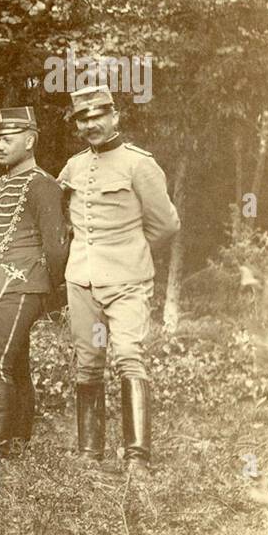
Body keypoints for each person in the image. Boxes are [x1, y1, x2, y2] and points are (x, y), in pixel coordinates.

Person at [58, 85, 179, 472]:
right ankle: (89, 454)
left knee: (128, 356)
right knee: (88, 362)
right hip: (82, 281)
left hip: (127, 282)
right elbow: (65, 220)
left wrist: (131, 251)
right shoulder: (73, 167)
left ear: (115, 117)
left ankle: (137, 457)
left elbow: (165, 224)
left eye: (98, 116)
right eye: (83, 119)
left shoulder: (138, 164)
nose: (91, 124)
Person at [0, 107, 67, 455]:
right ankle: (17, 442)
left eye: (8, 139)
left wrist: (50, 290)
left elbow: (56, 246)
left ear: (29, 142)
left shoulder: (42, 184)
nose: (0, 146)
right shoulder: (2, 182)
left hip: (23, 285)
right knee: (14, 364)